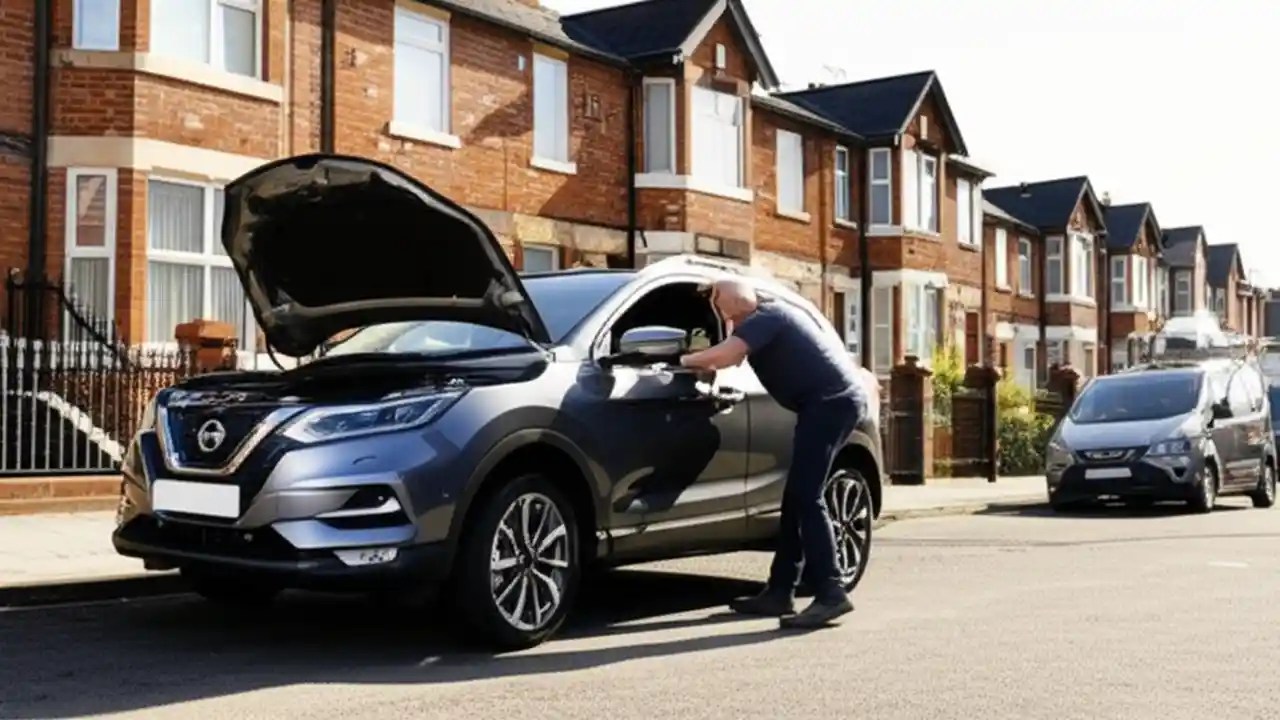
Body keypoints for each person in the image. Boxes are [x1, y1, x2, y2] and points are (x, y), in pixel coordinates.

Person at [679, 276, 869, 629]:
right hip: (827, 405)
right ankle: (780, 591)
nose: (717, 310)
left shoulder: (768, 318)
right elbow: (730, 357)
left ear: (731, 303)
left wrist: (684, 358)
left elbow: (725, 356)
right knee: (796, 499)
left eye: (718, 302)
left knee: (807, 496)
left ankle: (831, 592)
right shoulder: (762, 320)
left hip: (829, 405)